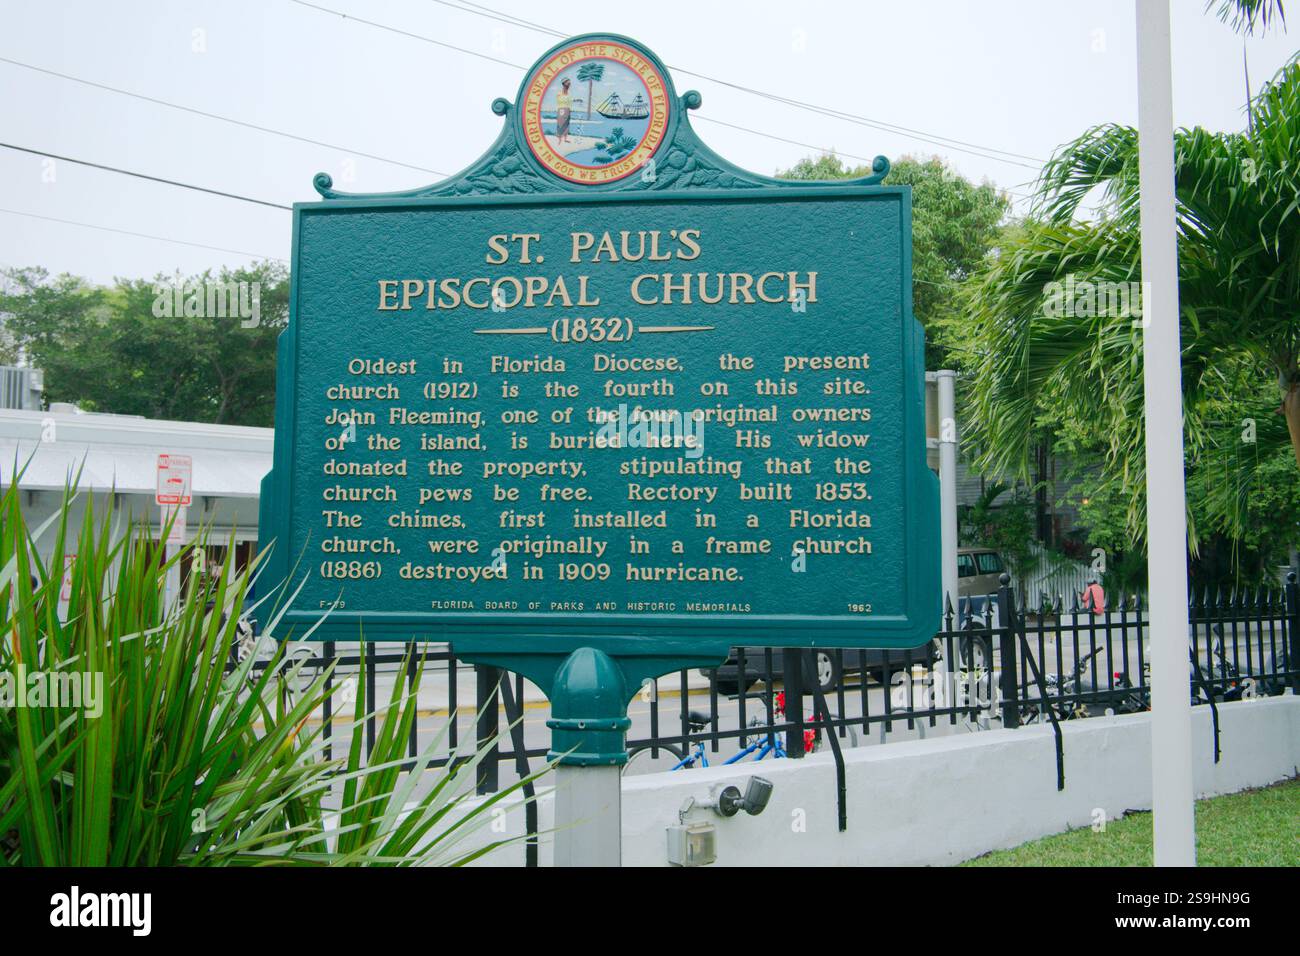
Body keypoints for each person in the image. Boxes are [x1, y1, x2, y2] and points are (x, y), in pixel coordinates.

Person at [555, 77, 572, 143]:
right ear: (564, 83)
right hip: (562, 109)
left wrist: (570, 109)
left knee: (566, 124)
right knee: (560, 124)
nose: (569, 84)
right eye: (568, 83)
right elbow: (559, 102)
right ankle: (559, 139)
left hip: (567, 110)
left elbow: (569, 102)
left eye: (569, 83)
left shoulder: (569, 93)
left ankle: (565, 138)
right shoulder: (559, 93)